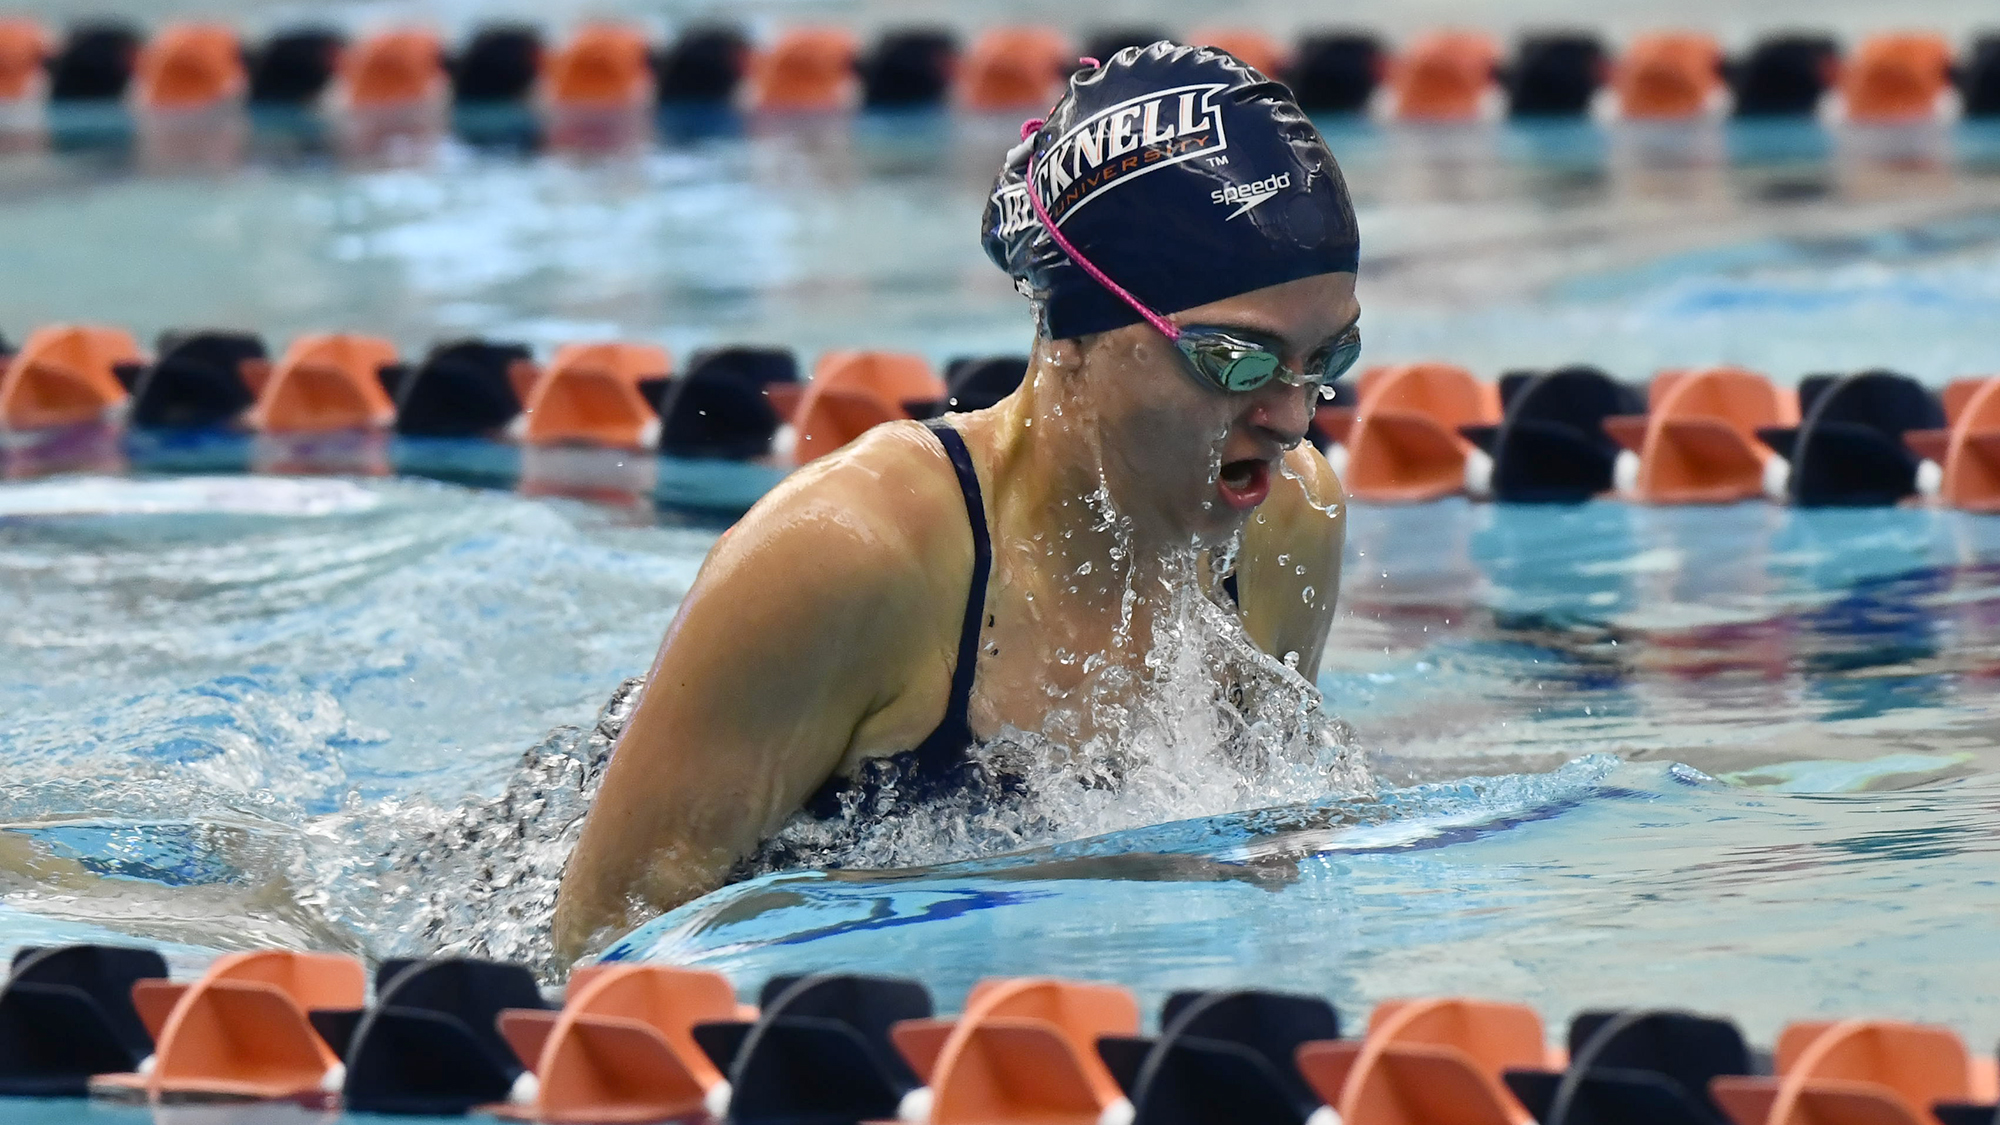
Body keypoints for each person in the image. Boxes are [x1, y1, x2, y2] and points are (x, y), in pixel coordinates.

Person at [553, 42, 1362, 961]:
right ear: (1078, 330)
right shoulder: (849, 553)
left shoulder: (1292, 522)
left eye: (1328, 358)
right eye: (1237, 359)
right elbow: (605, 944)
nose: (1293, 416)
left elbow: (1262, 867)